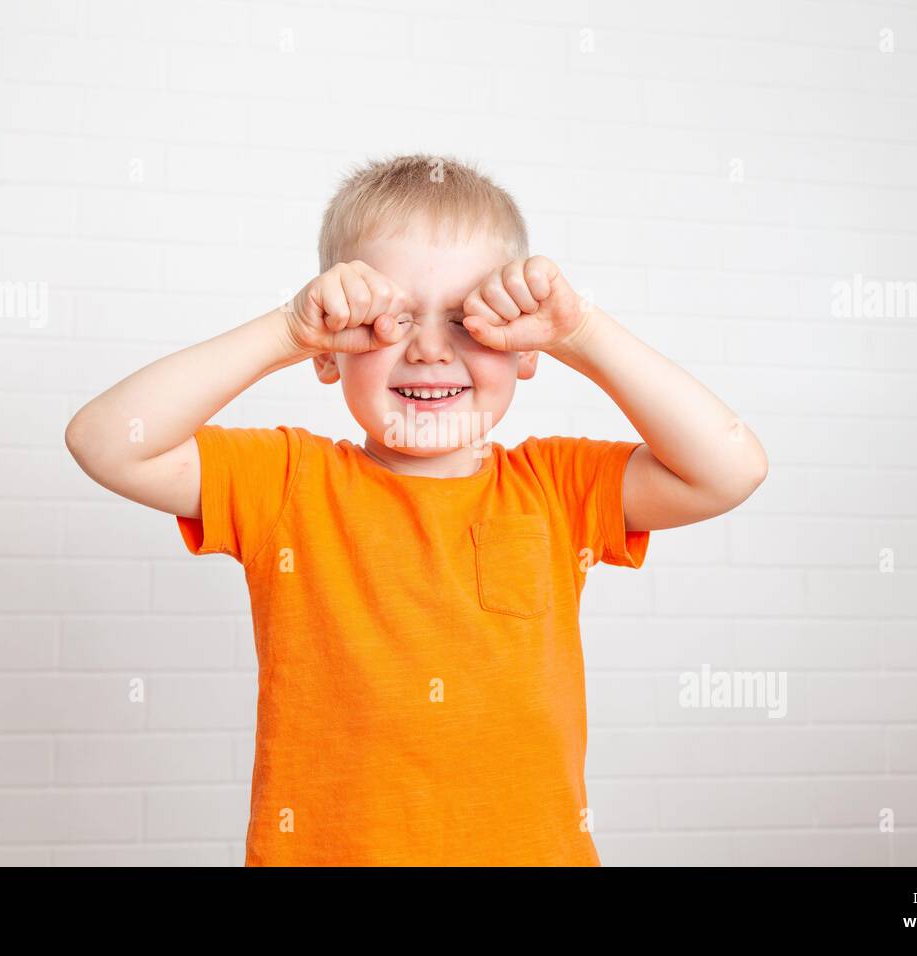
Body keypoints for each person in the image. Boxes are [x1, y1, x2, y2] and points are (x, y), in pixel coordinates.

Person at [64, 153, 768, 865]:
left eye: (469, 319)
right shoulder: (286, 481)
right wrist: (283, 331)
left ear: (527, 350)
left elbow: (730, 468)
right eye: (391, 320)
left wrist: (578, 332)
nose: (431, 350)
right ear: (328, 352)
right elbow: (106, 442)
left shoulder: (556, 487)